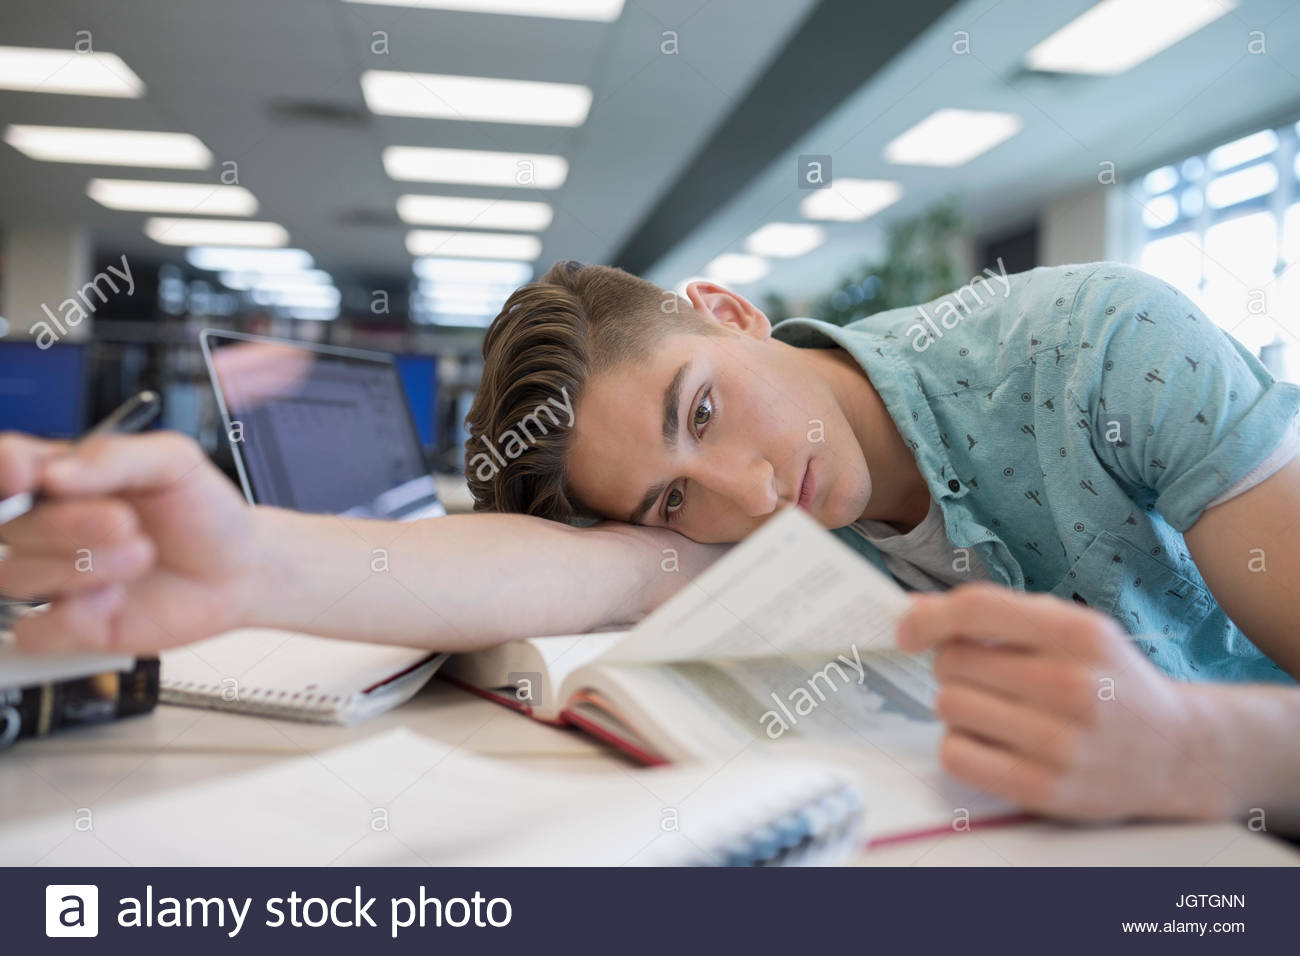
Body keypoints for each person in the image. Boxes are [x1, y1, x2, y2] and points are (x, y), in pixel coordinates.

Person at [1, 259, 1299, 832]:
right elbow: (584, 570)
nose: (742, 498)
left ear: (730, 313)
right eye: (672, 501)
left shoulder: (1099, 348)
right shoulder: (747, 520)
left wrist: (1190, 750)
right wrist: (250, 561)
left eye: (703, 409)